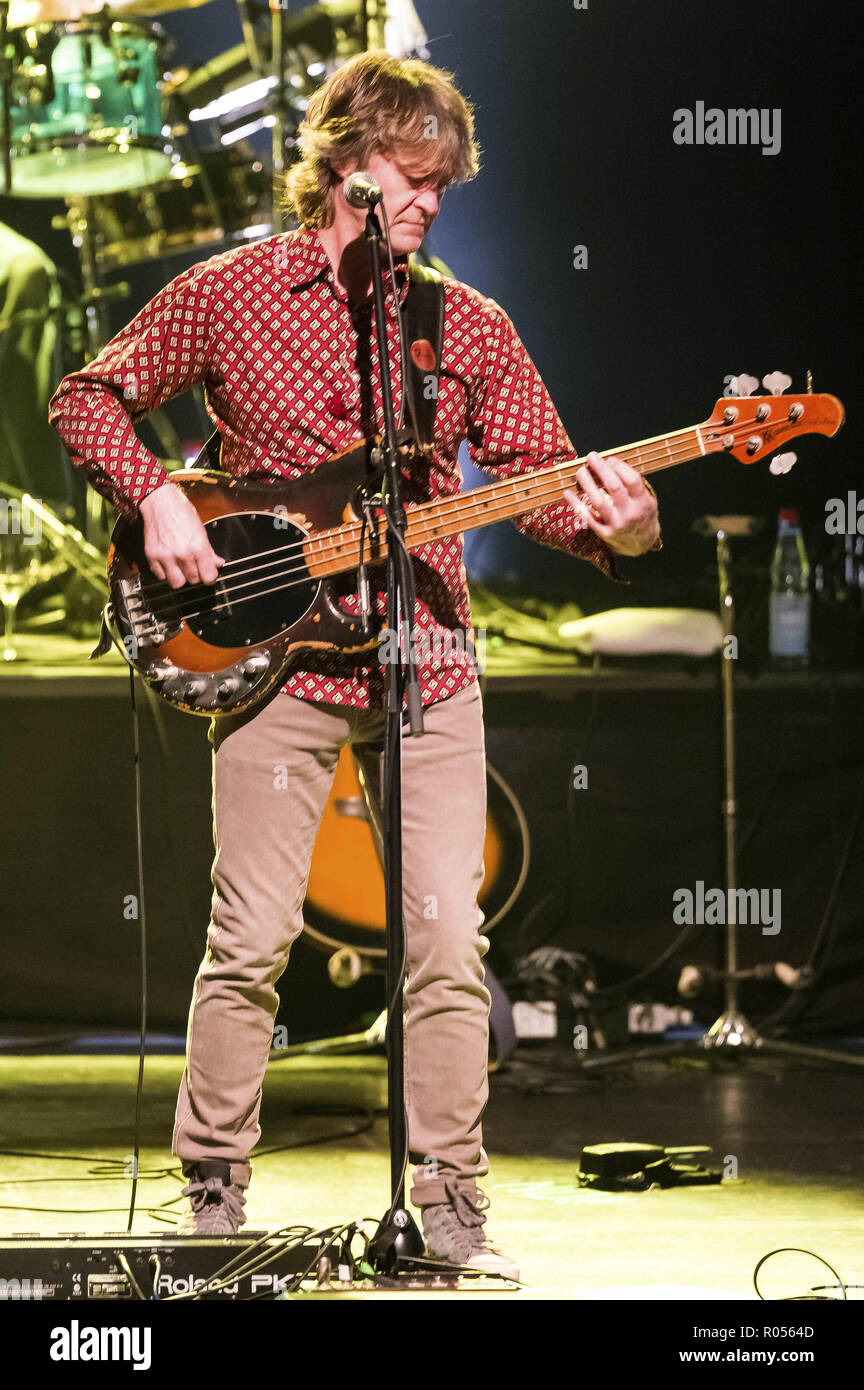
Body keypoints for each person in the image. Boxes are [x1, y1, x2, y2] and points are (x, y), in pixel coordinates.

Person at [49, 50, 660, 1280]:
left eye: (446, 184)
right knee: (254, 935)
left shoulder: (462, 321)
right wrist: (158, 499)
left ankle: (450, 1211)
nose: (431, 202)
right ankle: (213, 1198)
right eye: (411, 175)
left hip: (424, 654)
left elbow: (542, 482)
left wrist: (620, 523)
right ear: (344, 163)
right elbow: (85, 398)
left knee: (445, 941)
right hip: (273, 659)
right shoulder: (226, 292)